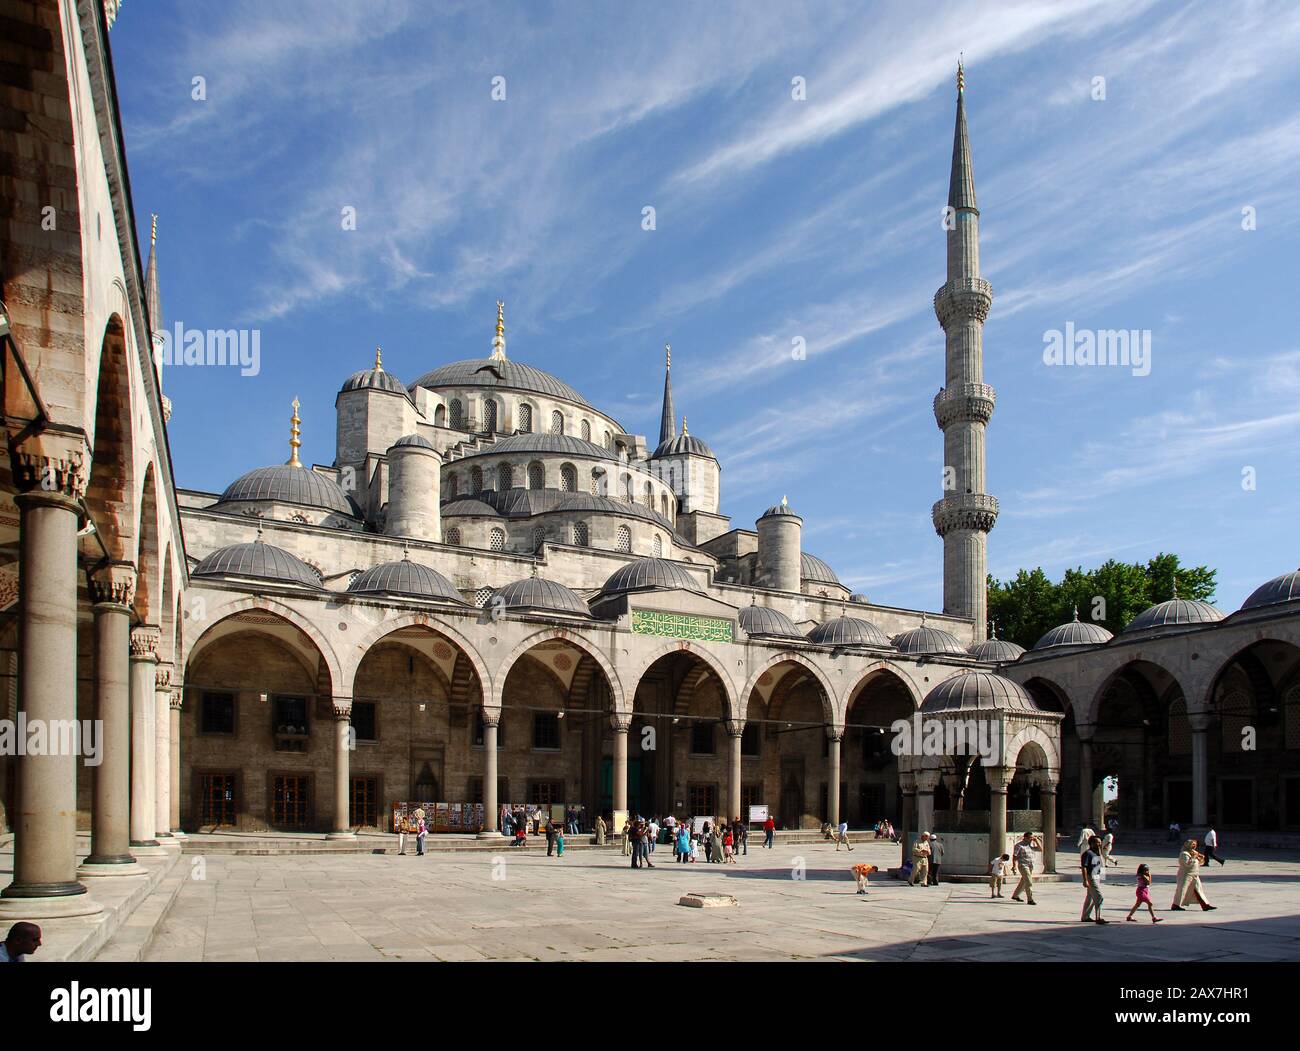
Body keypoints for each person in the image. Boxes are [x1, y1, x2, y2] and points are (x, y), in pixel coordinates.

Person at [1172, 839, 1216, 912]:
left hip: (1194, 874)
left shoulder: (1194, 852)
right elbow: (1187, 864)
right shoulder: (1184, 854)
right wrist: (1193, 857)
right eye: (1192, 844)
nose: (1194, 846)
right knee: (1182, 890)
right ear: (1188, 845)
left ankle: (1205, 905)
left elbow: (1199, 863)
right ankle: (1176, 905)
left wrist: (1201, 858)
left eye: (1195, 844)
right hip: (1185, 875)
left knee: (1199, 890)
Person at [1080, 834, 1107, 923]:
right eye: (1097, 842)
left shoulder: (1097, 853)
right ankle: (1098, 918)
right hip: (1091, 877)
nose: (1099, 844)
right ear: (1091, 843)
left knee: (1090, 898)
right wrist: (1085, 880)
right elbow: (1084, 867)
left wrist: (1102, 876)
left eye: (1100, 842)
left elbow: (1101, 865)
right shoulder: (1087, 853)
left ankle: (1085, 916)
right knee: (1099, 897)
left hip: (1097, 877)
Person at [1010, 831, 1041, 905]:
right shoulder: (1019, 845)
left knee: (1024, 881)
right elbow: (1014, 856)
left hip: (1030, 865)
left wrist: (1036, 840)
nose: (1031, 839)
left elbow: (1040, 849)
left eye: (1032, 837)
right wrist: (1014, 866)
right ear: (1026, 838)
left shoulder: (1031, 844)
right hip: (1023, 865)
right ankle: (1030, 899)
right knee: (1028, 881)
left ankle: (1015, 895)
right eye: (1030, 837)